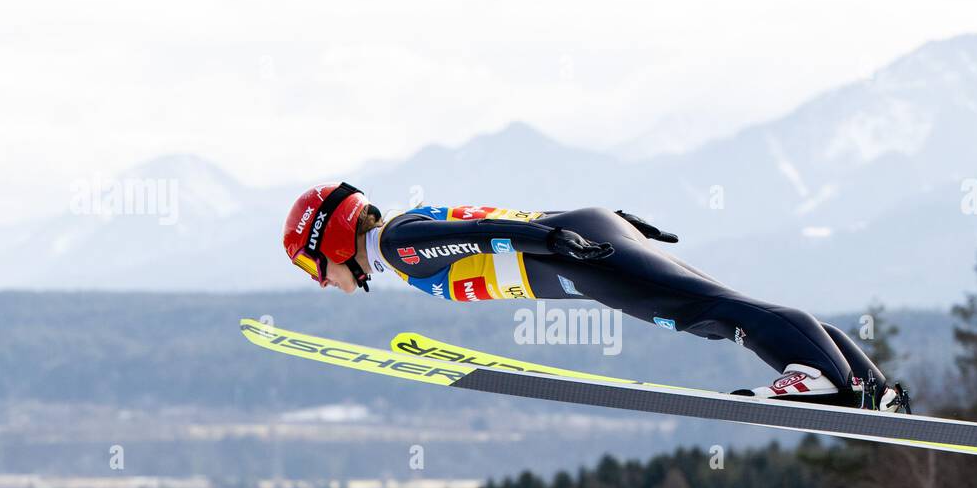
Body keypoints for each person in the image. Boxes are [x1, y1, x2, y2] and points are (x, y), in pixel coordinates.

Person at [282, 182, 909, 410]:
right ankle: (865, 385)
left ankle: (821, 375)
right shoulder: (404, 233)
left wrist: (557, 237)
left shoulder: (398, 246)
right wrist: (604, 224)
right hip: (580, 238)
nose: (324, 281)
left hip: (574, 251)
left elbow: (481, 232)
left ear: (330, 240)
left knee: (706, 312)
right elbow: (489, 225)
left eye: (316, 266)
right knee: (712, 307)